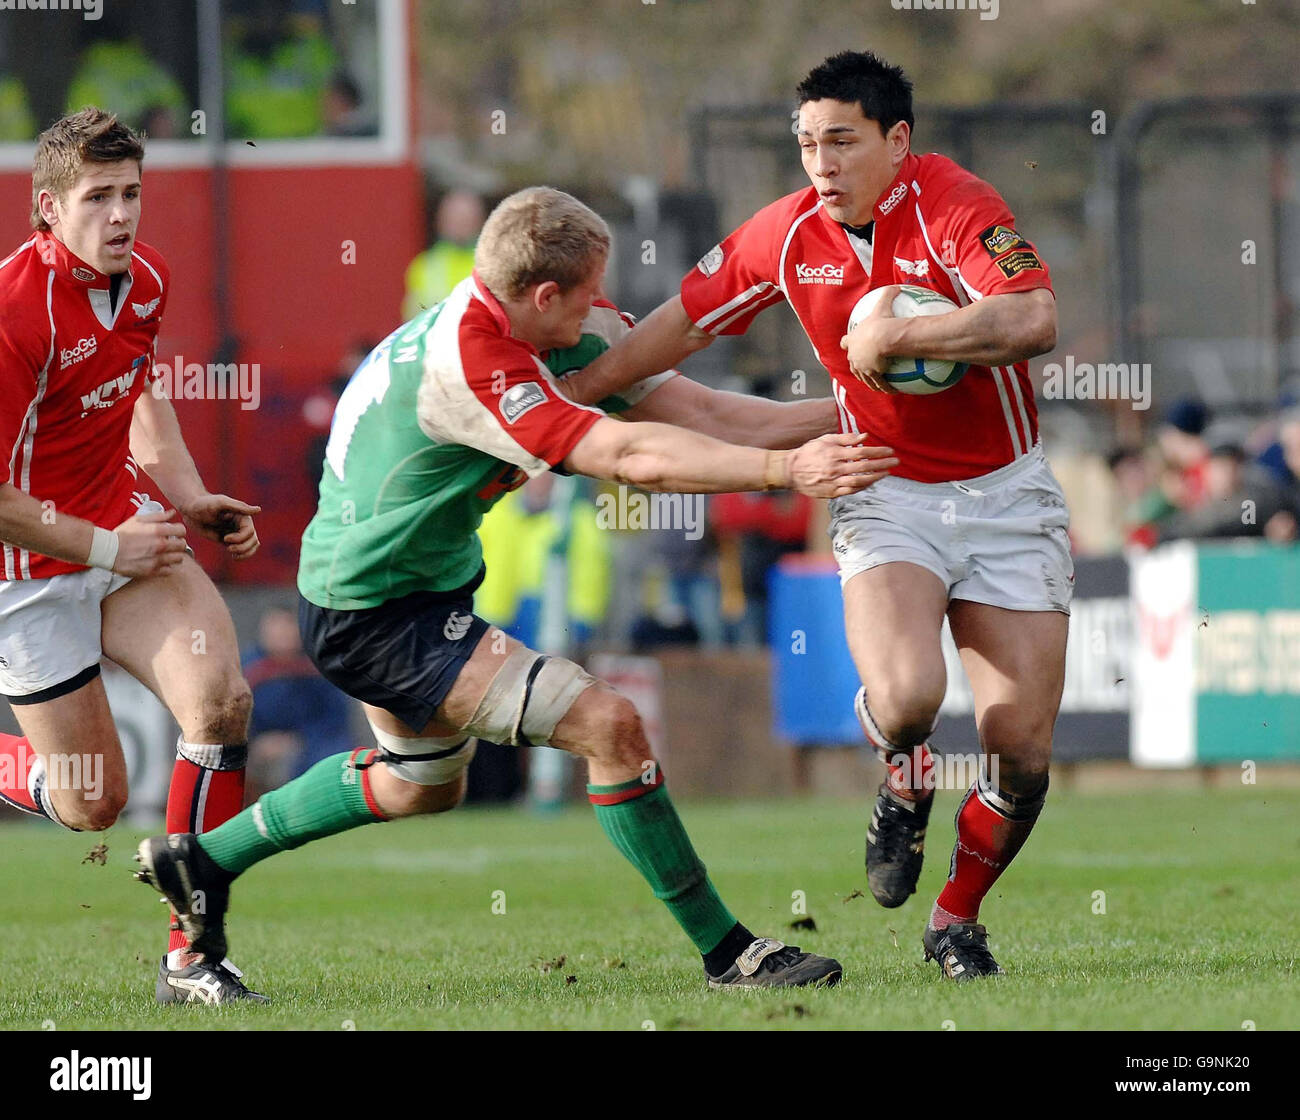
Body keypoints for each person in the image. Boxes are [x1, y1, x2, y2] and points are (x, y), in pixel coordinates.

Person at [135, 186, 899, 995]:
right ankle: (729, 953)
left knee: (418, 784)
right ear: (541, 297)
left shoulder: (551, 325)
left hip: (400, 590)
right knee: (612, 725)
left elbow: (710, 413)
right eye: (585, 294)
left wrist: (866, 413)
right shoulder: (472, 365)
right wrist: (787, 472)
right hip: (376, 614)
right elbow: (632, 458)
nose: (600, 309)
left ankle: (201, 860)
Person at [565, 51, 1069, 981]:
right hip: (883, 487)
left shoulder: (957, 203)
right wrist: (574, 399)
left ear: (898, 140)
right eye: (807, 144)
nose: (822, 163)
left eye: (842, 140)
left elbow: (1033, 317)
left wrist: (901, 333)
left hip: (1008, 495)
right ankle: (903, 767)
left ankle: (955, 920)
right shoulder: (786, 234)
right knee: (911, 700)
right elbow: (679, 323)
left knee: (1021, 752)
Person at [0, 109, 265, 1003]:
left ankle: (192, 960)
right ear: (48, 209)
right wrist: (107, 542)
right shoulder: (11, 312)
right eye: (99, 197)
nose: (121, 216)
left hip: (123, 529)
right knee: (92, 806)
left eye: (132, 195)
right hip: (27, 573)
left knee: (221, 703)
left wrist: (187, 496)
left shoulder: (144, 277)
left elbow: (141, 388)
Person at [402, 190, 486, 320]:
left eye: (466, 219)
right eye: (455, 219)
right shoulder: (425, 265)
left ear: (480, 222)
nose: (461, 225)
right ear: (441, 222)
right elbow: (412, 320)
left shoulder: (492, 265)